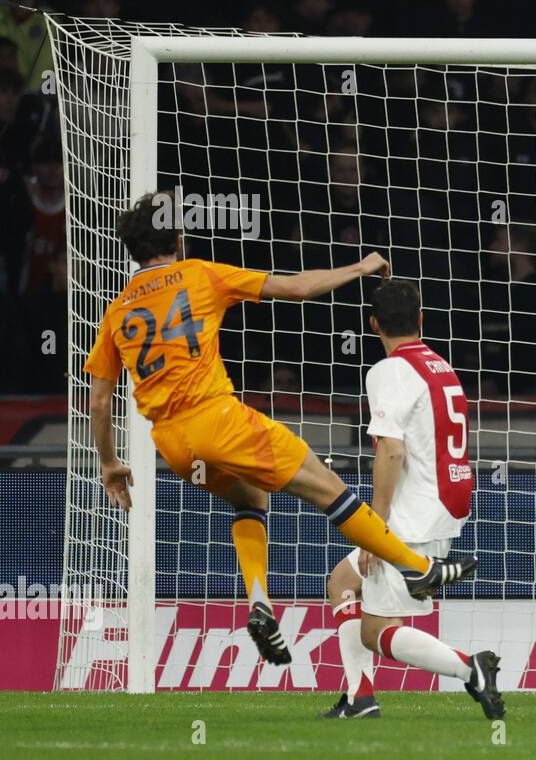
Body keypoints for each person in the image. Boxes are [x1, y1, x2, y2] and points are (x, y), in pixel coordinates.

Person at [83, 192, 475, 666]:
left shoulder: (118, 309)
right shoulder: (200, 273)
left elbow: (100, 401)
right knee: (330, 489)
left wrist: (108, 462)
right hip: (218, 419)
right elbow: (296, 289)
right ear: (179, 240)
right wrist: (359, 268)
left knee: (250, 499)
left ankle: (259, 602)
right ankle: (417, 568)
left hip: (173, 445)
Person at [321, 279, 503, 720]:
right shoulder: (440, 365)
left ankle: (469, 669)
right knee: (342, 583)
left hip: (415, 513)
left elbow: (392, 449)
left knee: (376, 630)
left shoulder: (390, 370)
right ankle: (359, 697)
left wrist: (373, 528)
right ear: (421, 320)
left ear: (373, 324)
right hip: (445, 498)